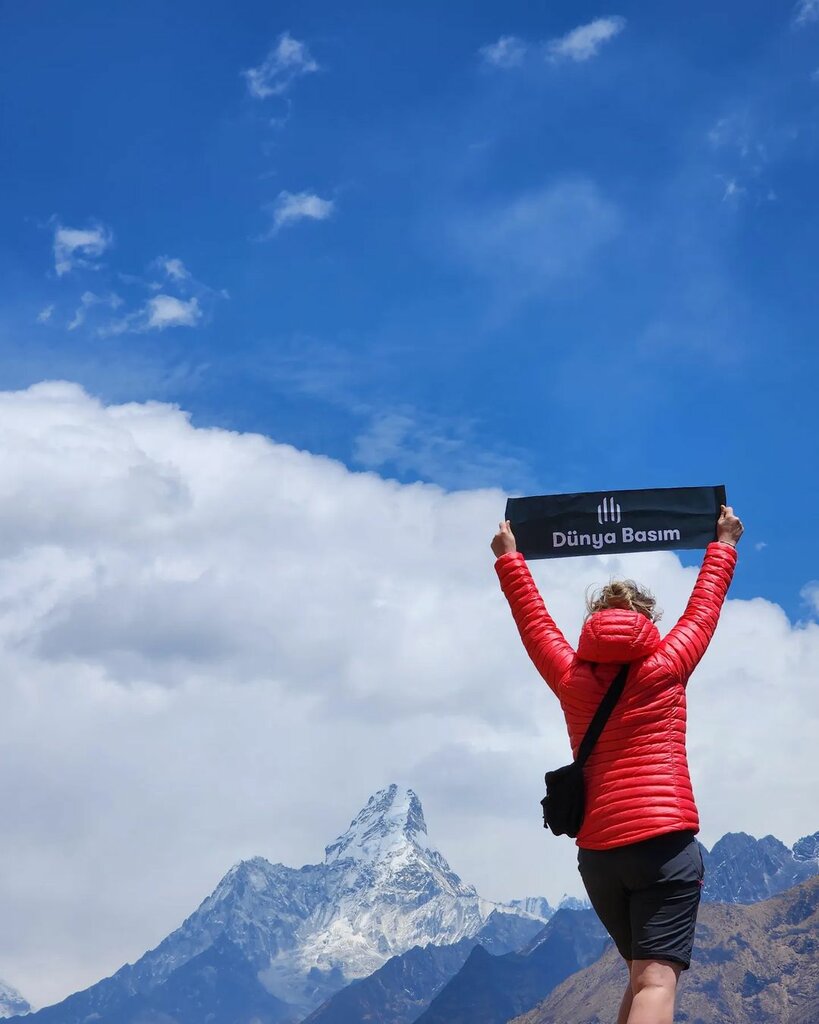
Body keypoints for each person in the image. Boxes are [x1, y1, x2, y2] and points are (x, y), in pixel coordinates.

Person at [491, 505, 743, 1024]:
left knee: (638, 977)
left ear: (591, 624)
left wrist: (510, 560)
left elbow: (533, 623)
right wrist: (724, 544)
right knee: (656, 982)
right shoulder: (668, 665)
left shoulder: (570, 675)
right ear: (648, 621)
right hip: (664, 845)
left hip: (599, 854)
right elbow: (704, 608)